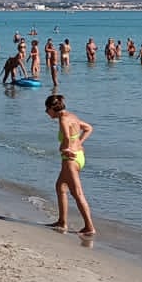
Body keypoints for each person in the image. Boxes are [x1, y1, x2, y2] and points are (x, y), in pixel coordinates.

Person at [43, 94, 96, 236]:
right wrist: (79, 143)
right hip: (78, 156)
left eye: (46, 109)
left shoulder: (63, 119)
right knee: (60, 187)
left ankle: (89, 227)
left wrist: (64, 148)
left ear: (52, 108)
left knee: (77, 193)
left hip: (70, 159)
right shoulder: (72, 116)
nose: (46, 113)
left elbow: (66, 137)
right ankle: (62, 221)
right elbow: (88, 128)